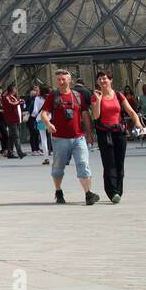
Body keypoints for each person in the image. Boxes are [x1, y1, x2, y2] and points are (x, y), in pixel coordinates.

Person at [39, 69, 99, 205]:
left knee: (83, 164)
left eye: (63, 79)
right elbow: (44, 113)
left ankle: (88, 193)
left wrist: (89, 133)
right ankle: (58, 191)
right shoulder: (53, 96)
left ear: (69, 80)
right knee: (58, 167)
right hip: (59, 138)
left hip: (78, 138)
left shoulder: (78, 96)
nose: (60, 82)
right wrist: (48, 124)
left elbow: (85, 115)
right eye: (58, 79)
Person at [89, 70, 144, 204]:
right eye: (100, 79)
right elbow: (95, 116)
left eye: (105, 79)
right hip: (104, 133)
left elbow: (131, 111)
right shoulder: (95, 96)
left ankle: (119, 191)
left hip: (119, 133)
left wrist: (138, 123)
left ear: (110, 80)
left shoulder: (118, 95)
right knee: (109, 164)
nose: (102, 81)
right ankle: (112, 192)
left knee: (119, 163)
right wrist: (98, 100)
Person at [1, 87, 25, 159]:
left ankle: (10, 153)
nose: (15, 90)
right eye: (14, 89)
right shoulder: (6, 97)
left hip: (16, 119)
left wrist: (19, 101)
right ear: (11, 90)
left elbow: (15, 103)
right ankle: (20, 152)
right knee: (16, 135)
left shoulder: (12, 97)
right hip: (11, 119)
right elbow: (11, 104)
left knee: (11, 137)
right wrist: (18, 102)